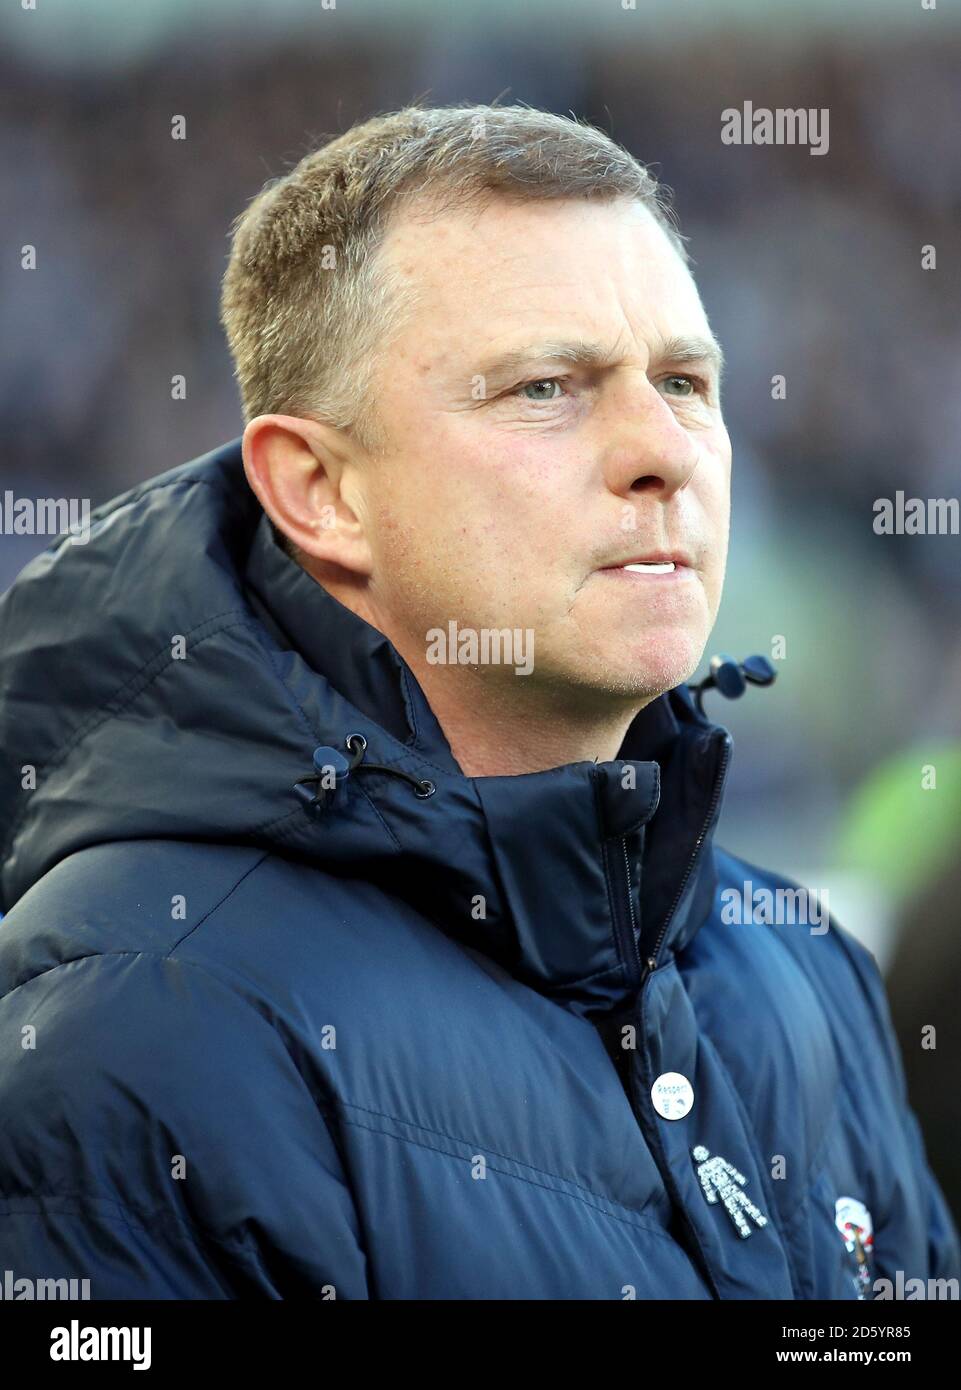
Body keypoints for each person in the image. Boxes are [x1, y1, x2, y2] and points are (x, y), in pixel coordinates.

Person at [0, 102, 956, 1300]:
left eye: (684, 379)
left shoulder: (797, 966)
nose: (663, 448)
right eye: (548, 387)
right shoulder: (137, 1029)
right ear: (319, 491)